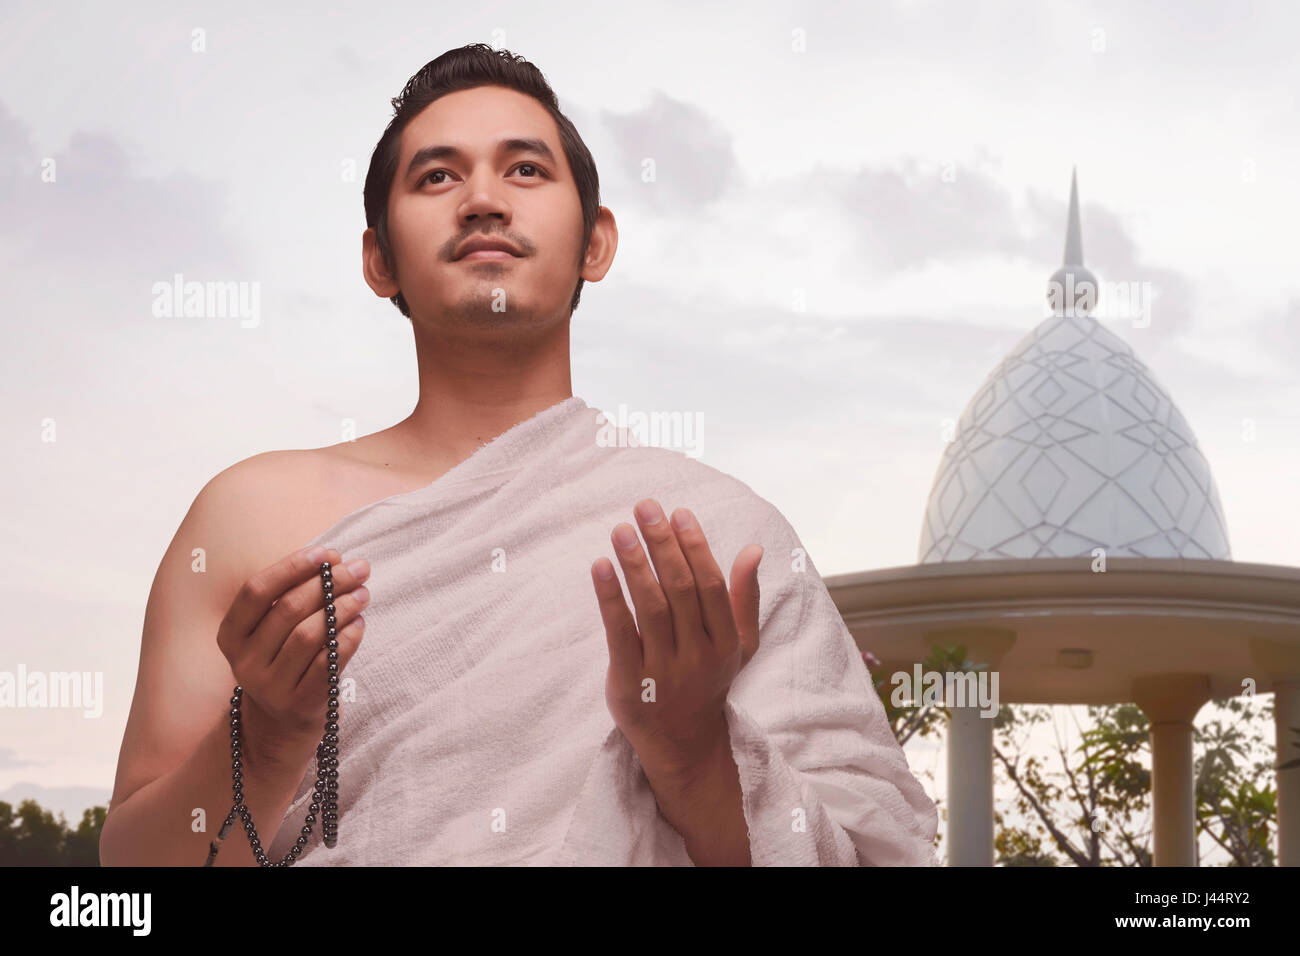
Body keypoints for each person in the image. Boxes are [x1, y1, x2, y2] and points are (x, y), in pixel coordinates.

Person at [100, 43, 937, 867]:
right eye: (436, 176)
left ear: (596, 244)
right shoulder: (253, 518)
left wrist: (692, 748)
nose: (482, 202)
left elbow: (864, 853)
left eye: (526, 170)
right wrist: (269, 734)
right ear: (379, 260)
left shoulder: (721, 536)